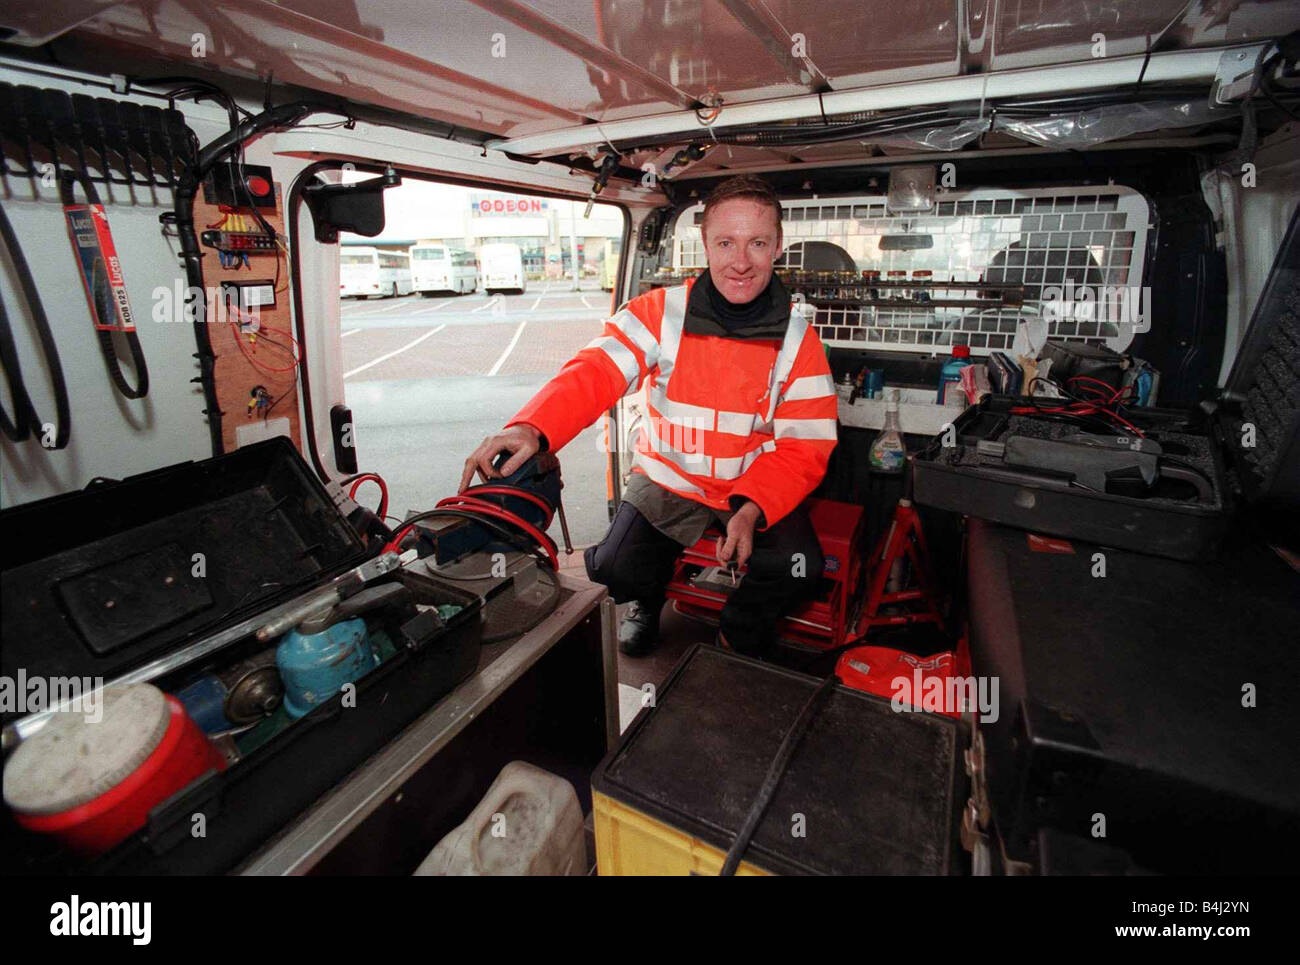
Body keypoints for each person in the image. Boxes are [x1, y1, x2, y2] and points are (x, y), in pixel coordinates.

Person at [459, 175, 837, 657]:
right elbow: (596, 370)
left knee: (799, 566)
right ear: (704, 244)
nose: (740, 262)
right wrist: (532, 426)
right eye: (726, 243)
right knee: (615, 568)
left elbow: (806, 444)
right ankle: (648, 602)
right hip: (668, 479)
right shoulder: (661, 313)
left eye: (757, 243)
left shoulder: (799, 341)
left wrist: (752, 508)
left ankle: (739, 630)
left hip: (751, 485)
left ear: (778, 247)